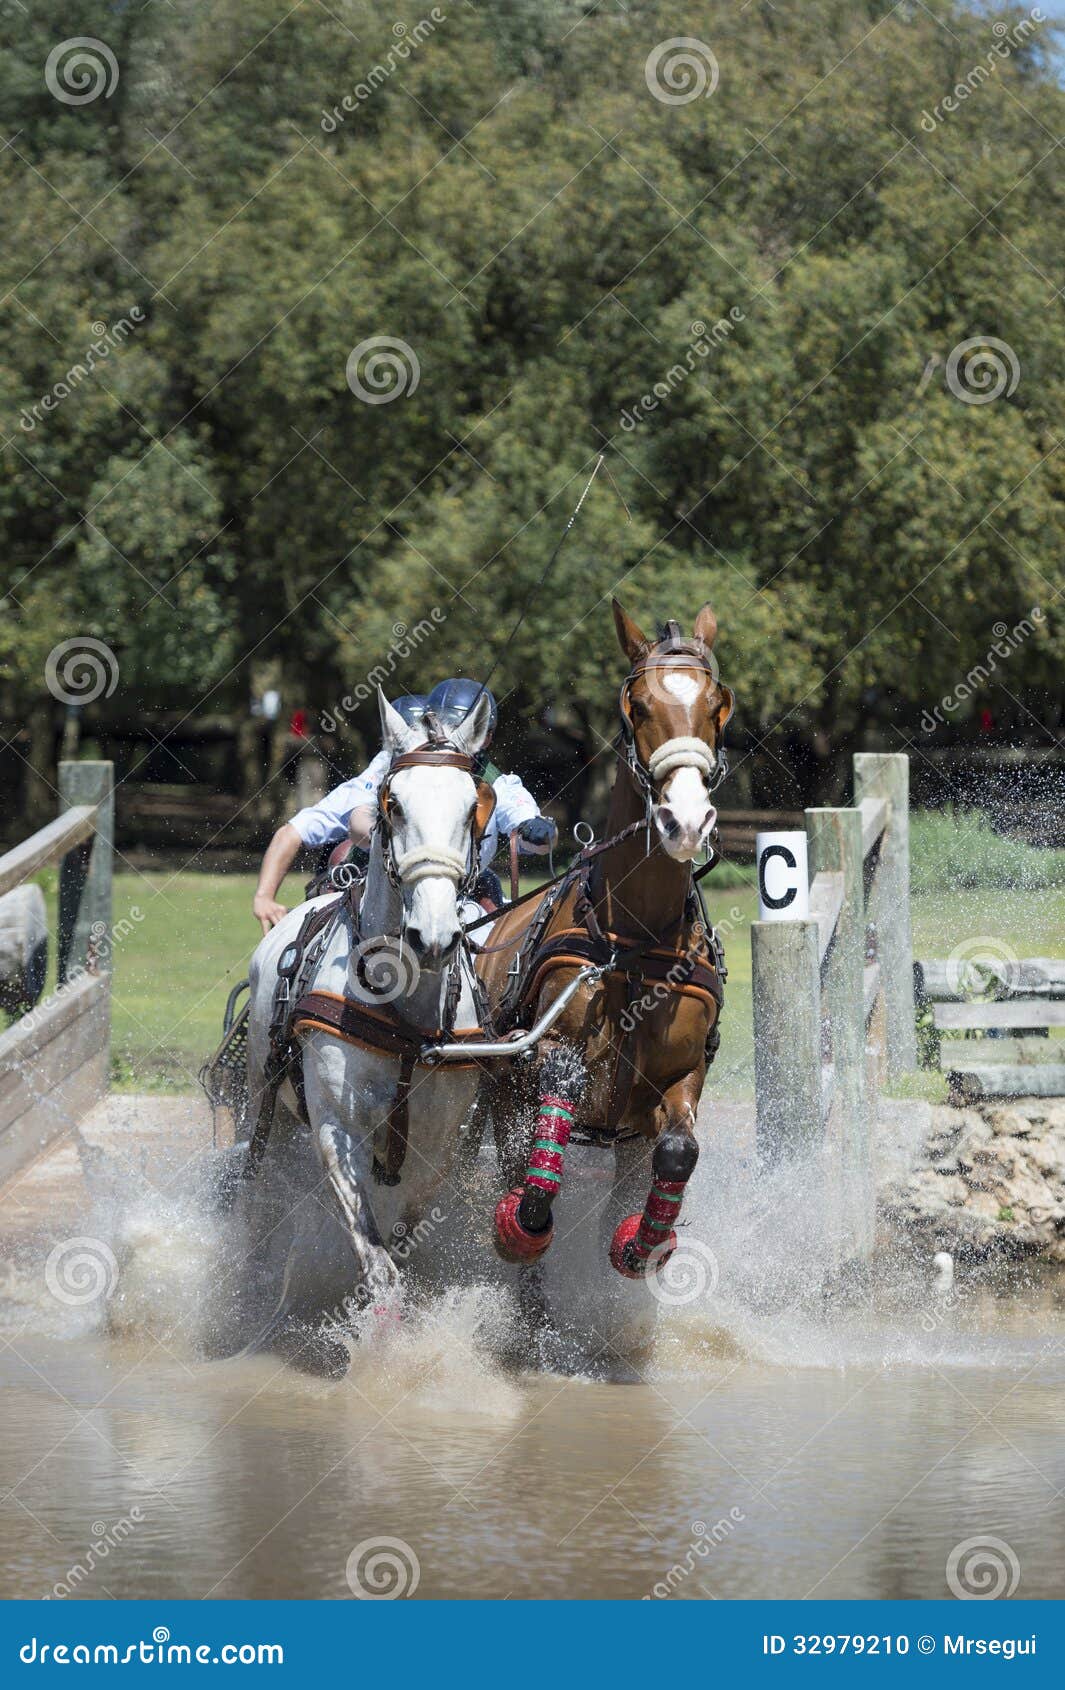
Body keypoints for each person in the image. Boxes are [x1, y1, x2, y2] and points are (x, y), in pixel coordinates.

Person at [252, 683, 557, 933]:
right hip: (376, 890)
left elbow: (527, 826)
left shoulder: (501, 786)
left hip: (460, 894)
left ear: (486, 736)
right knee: (342, 858)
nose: (450, 737)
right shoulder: (386, 772)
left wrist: (538, 831)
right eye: (443, 724)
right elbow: (352, 822)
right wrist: (264, 897)